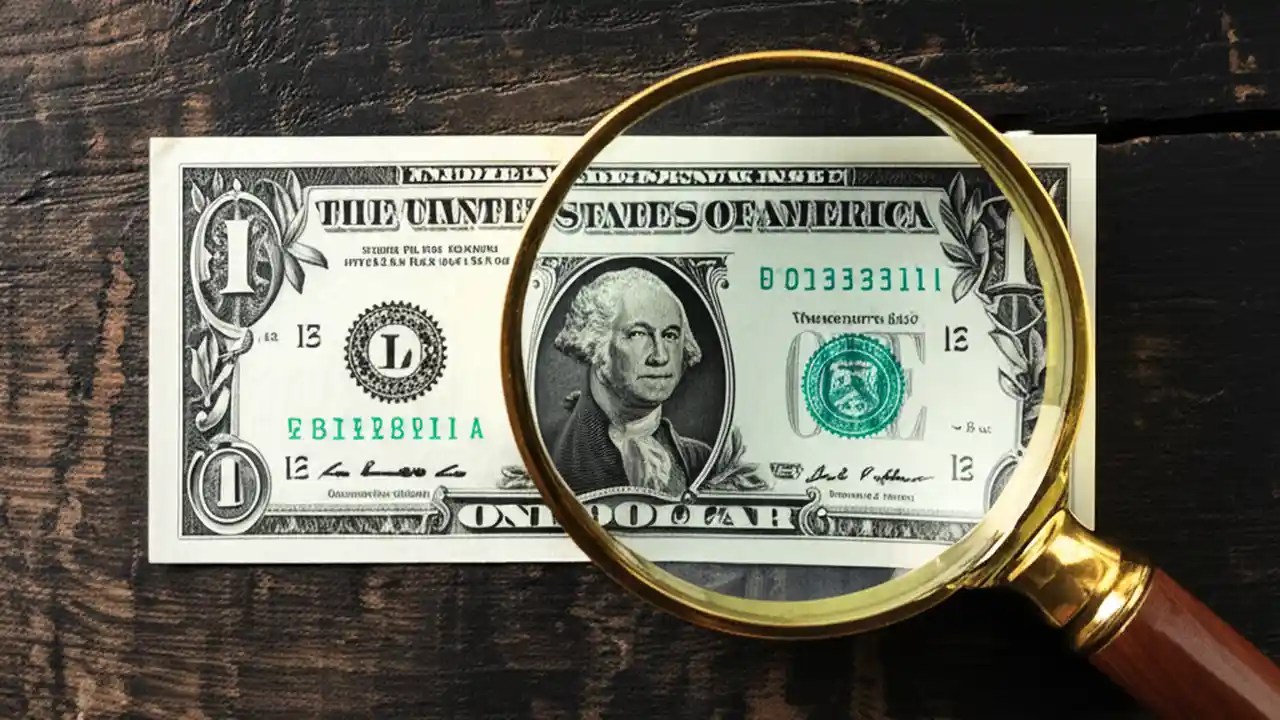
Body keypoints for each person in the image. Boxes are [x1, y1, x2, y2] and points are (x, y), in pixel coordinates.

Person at [548, 267, 712, 495]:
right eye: (637, 334)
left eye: (670, 335)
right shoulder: (548, 449)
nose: (660, 356)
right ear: (595, 341)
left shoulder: (702, 460)